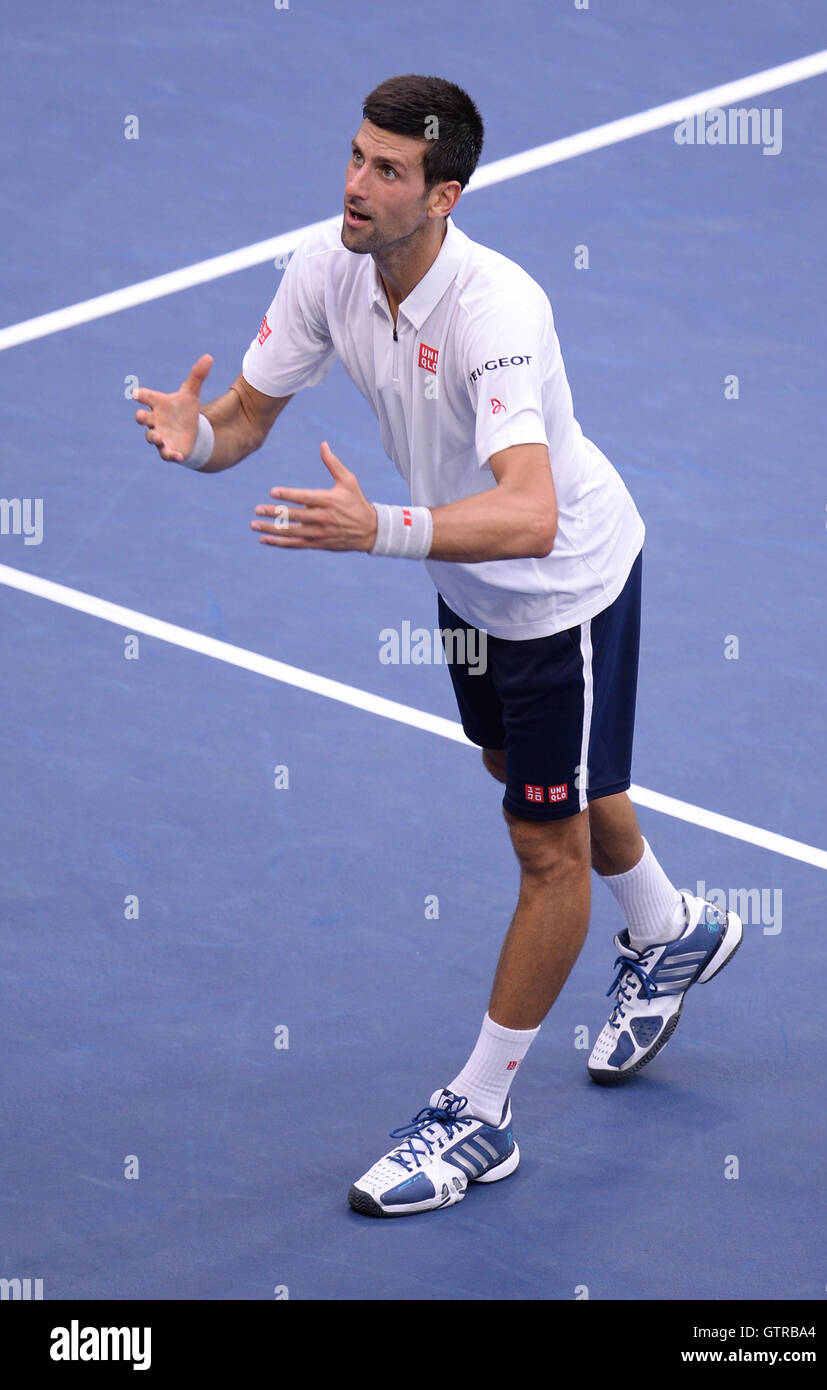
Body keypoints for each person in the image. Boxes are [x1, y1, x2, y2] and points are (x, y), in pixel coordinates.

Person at [132, 74, 742, 1218]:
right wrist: (198, 435)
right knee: (524, 780)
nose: (354, 185)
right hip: (462, 581)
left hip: (560, 591)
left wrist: (380, 531)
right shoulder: (328, 264)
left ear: (444, 194)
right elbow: (249, 419)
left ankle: (479, 1113)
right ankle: (672, 926)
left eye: (387, 171)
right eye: (355, 157)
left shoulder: (495, 311)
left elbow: (531, 513)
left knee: (543, 845)